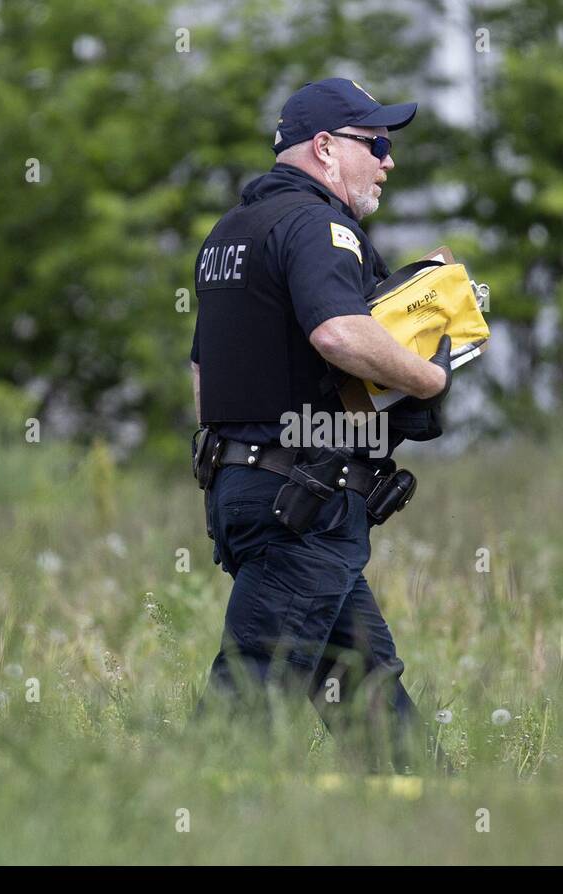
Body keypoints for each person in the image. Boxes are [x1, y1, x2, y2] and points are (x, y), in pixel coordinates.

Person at [189, 78, 452, 772]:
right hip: (304, 502)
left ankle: (436, 817)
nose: (388, 162)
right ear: (326, 149)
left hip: (251, 495)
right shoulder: (319, 226)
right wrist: (431, 377)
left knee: (367, 693)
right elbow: (338, 333)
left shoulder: (228, 234)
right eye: (378, 144)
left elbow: (200, 376)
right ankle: (165, 829)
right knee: (245, 699)